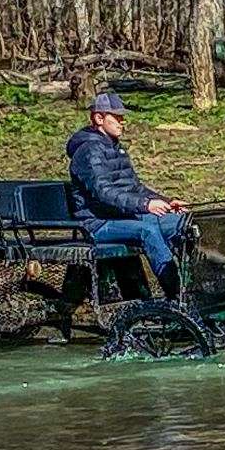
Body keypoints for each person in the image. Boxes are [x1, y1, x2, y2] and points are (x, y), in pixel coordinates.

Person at [66, 92, 190, 299]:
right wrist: (144, 205)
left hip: (123, 216)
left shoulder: (115, 148)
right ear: (99, 118)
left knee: (182, 224)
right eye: (117, 117)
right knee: (147, 231)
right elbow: (104, 193)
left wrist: (167, 203)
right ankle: (177, 297)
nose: (122, 122)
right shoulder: (88, 152)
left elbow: (135, 187)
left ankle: (200, 289)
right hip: (98, 223)